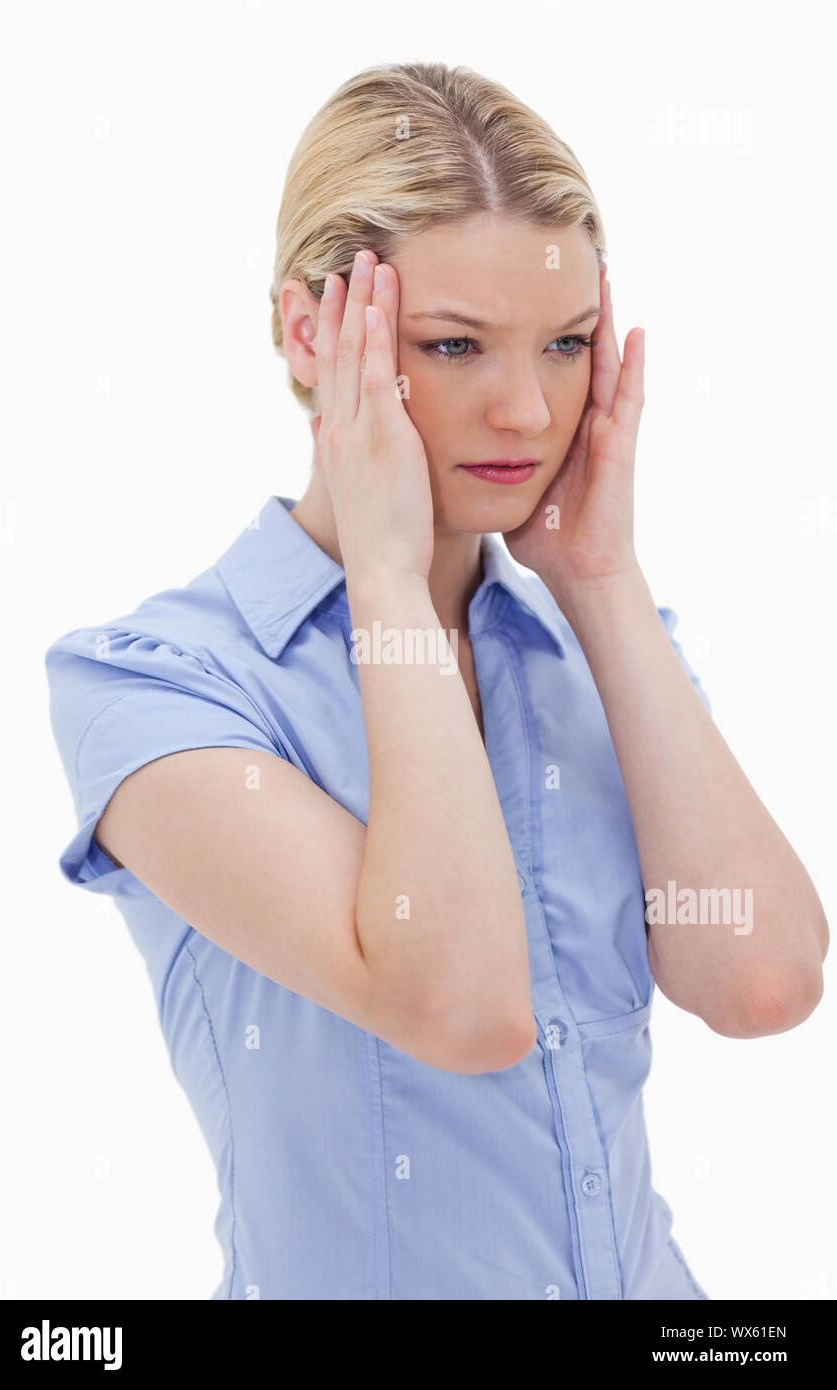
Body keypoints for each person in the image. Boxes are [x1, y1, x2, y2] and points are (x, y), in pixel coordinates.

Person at [44, 61, 828, 1300]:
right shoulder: (161, 690)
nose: (526, 409)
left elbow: (764, 980)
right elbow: (461, 1007)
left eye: (565, 344)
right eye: (454, 344)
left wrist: (602, 579)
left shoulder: (594, 650)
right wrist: (391, 590)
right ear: (311, 334)